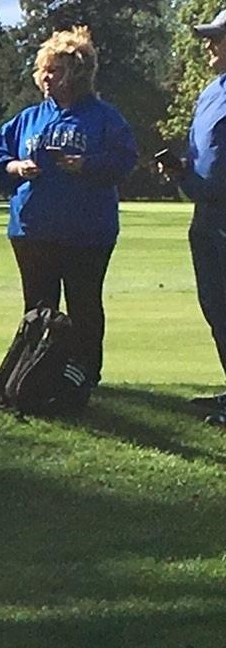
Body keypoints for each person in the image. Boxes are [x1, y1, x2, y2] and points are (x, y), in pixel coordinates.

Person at [0, 26, 136, 404]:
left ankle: (80, 378)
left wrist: (84, 164)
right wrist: (17, 168)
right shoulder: (28, 119)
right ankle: (33, 377)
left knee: (84, 306)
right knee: (38, 308)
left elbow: (125, 160)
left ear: (78, 73)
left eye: (55, 70)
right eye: (44, 70)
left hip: (87, 233)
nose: (47, 77)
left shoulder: (104, 118)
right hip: (32, 230)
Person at [168, 10, 226, 419]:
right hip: (206, 218)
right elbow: (200, 154)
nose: (209, 45)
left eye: (217, 38)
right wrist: (179, 168)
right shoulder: (210, 92)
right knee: (216, 307)